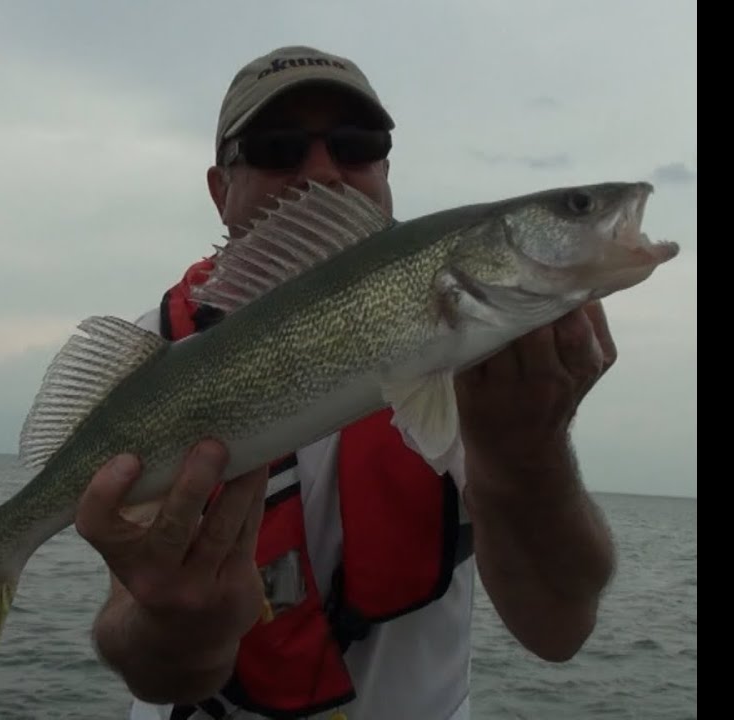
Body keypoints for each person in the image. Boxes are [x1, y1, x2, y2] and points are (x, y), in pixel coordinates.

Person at [73, 45, 618, 720]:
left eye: (357, 145)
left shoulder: (470, 343)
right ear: (220, 190)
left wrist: (528, 456)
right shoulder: (157, 356)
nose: (324, 171)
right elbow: (157, 667)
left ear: (386, 170)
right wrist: (178, 628)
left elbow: (557, 629)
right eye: (278, 148)